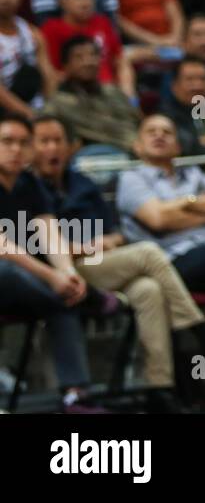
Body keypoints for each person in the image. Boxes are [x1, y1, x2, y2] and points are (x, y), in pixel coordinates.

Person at [30, 115, 205, 411]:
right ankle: (198, 331)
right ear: (32, 148)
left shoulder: (83, 184)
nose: (52, 148)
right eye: (44, 141)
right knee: (148, 253)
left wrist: (105, 243)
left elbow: (116, 232)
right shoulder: (29, 188)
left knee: (148, 289)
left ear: (71, 147)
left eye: (58, 141)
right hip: (59, 272)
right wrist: (77, 249)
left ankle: (160, 388)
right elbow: (32, 243)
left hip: (103, 260)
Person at [0, 113, 108, 412]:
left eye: (23, 143)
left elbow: (49, 232)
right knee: (8, 270)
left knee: (62, 297)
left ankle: (77, 395)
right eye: (7, 142)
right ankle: (90, 298)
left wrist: (68, 275)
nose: (16, 150)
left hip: (27, 285)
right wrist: (53, 278)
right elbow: (3, 246)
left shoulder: (28, 183)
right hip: (10, 274)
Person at [117, 114, 205, 294]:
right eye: (151, 132)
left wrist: (184, 204)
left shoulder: (193, 174)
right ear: (137, 146)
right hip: (169, 262)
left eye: (167, 132)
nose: (159, 135)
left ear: (178, 147)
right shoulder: (131, 178)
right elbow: (158, 220)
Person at [42, 36, 141, 151]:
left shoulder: (114, 92)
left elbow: (138, 122)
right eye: (79, 57)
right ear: (66, 66)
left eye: (93, 55)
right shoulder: (58, 103)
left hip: (140, 152)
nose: (88, 62)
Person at [0, 0, 57, 118]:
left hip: (33, 102)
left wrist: (50, 108)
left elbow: (47, 74)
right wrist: (27, 114)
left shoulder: (33, 33)